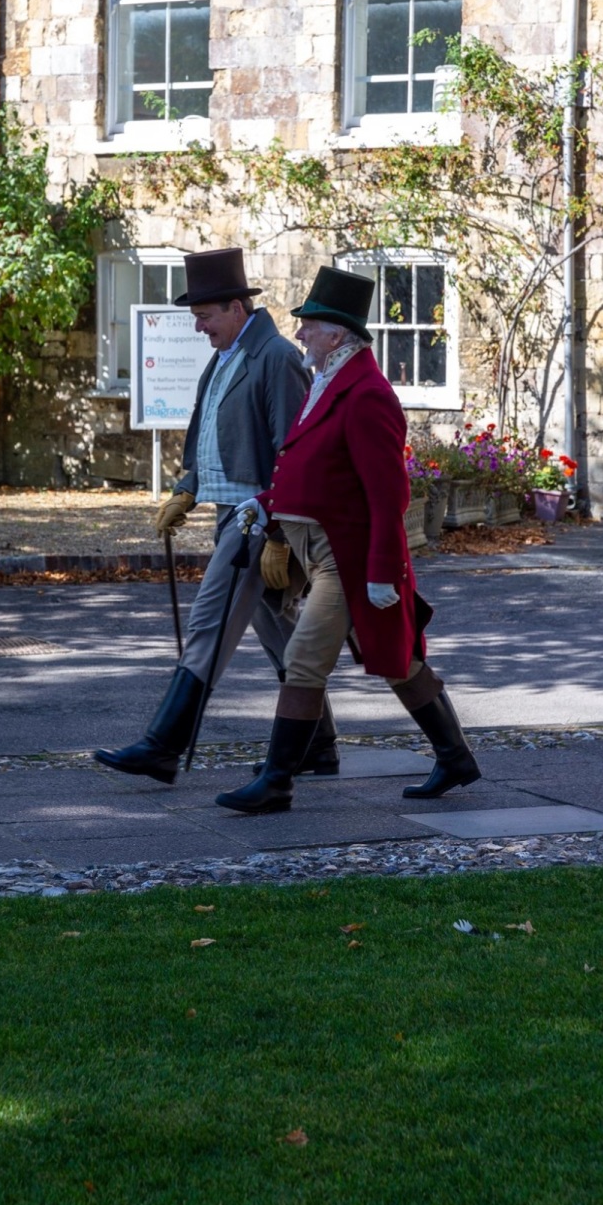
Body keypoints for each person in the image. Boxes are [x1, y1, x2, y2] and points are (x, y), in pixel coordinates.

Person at [215, 264, 481, 815]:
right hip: (322, 548)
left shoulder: (366, 394)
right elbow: (315, 469)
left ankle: (277, 781)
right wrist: (266, 504)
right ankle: (455, 756)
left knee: (305, 656)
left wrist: (384, 569)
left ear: (336, 335)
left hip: (350, 556)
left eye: (309, 325)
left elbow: (390, 494)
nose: (300, 334)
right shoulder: (331, 382)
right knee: (397, 660)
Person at [94, 247, 340, 783]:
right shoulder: (225, 357)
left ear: (235, 307)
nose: (200, 328)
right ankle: (317, 746)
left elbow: (290, 450)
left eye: (205, 317)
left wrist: (277, 531)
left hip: (256, 518)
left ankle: (162, 746)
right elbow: (206, 431)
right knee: (277, 627)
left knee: (207, 624)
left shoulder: (273, 356)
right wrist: (187, 489)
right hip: (231, 510)